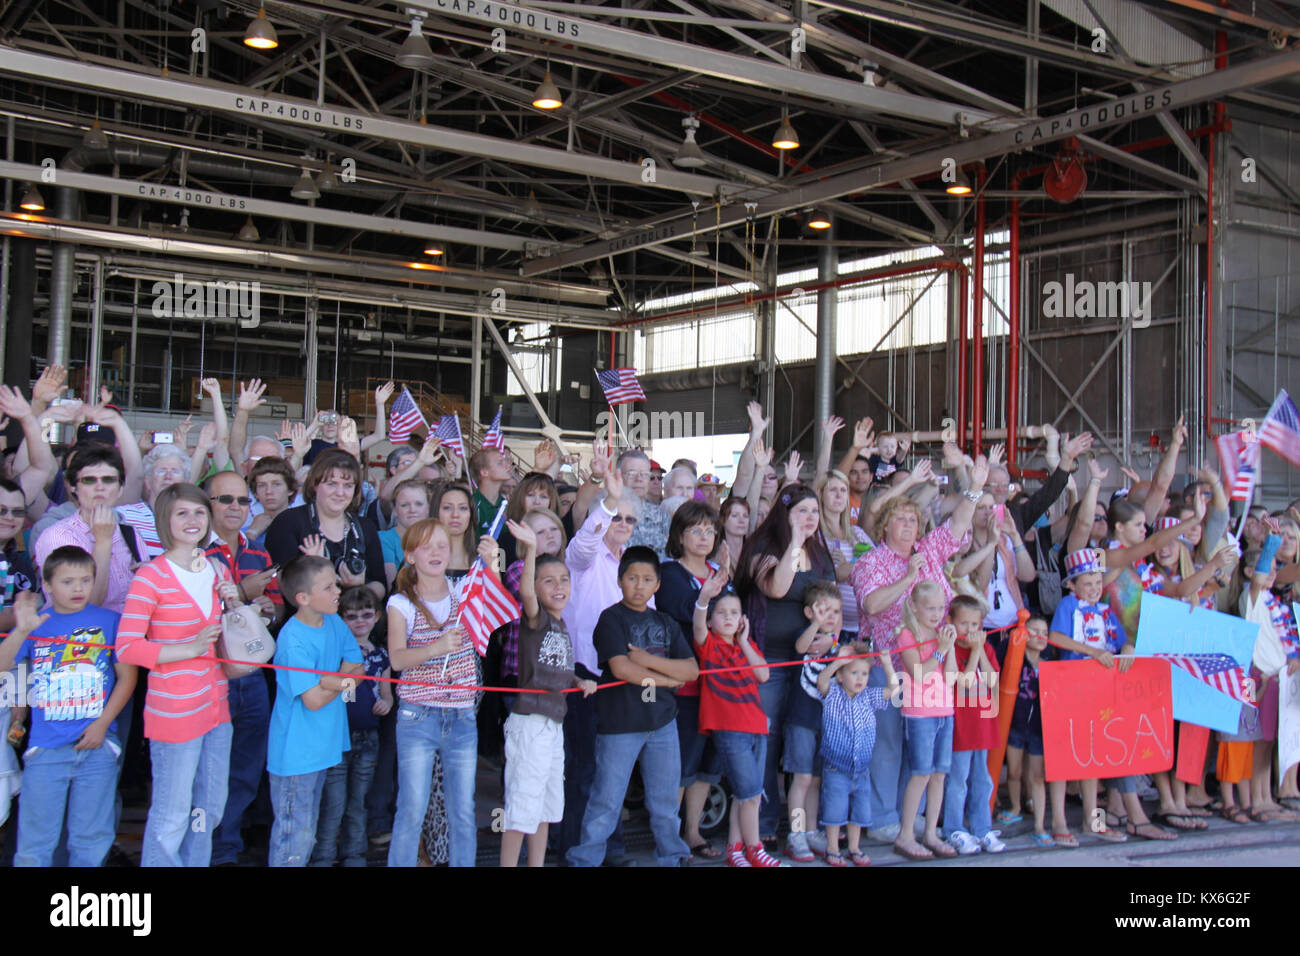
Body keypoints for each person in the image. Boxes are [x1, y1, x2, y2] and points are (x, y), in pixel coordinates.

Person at [850, 450, 990, 841]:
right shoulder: (871, 563)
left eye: (913, 519)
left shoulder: (929, 552)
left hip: (935, 665)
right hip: (889, 667)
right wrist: (907, 576)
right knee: (890, 744)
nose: (909, 525)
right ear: (885, 527)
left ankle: (917, 823)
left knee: (924, 750)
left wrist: (975, 489)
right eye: (901, 519)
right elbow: (871, 606)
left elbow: (959, 522)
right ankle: (882, 820)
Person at [116, 483, 243, 867]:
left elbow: (230, 632)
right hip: (174, 713)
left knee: (208, 809)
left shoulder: (216, 568)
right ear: (165, 521)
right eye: (182, 513)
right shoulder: (150, 577)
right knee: (172, 815)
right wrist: (187, 649)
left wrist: (234, 600)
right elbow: (126, 647)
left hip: (216, 706)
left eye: (199, 512)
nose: (192, 521)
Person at [566, 546, 698, 867]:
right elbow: (623, 669)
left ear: (657, 586)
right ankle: (585, 859)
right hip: (620, 725)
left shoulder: (666, 622)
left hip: (662, 723)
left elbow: (691, 670)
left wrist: (648, 661)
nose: (639, 586)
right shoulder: (610, 619)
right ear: (620, 580)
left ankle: (674, 856)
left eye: (647, 579)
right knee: (606, 801)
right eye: (632, 578)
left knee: (665, 801)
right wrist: (666, 679)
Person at [0, 556, 135, 866]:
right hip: (46, 750)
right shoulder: (37, 623)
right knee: (35, 844)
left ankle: (80, 912)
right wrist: (22, 631)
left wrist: (103, 724)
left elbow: (128, 677)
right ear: (47, 585)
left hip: (97, 747)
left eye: (85, 580)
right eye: (67, 582)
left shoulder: (109, 621)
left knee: (91, 840)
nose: (78, 588)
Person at [1047, 548, 1172, 844]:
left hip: (1100, 691)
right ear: (1072, 585)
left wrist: (1127, 648)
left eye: (1096, 583)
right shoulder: (1068, 605)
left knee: (1093, 756)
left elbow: (1120, 640)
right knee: (1066, 757)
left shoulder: (1105, 611)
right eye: (1087, 584)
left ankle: (1094, 821)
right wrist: (1093, 652)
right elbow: (1055, 638)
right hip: (1071, 688)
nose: (1093, 589)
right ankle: (1058, 822)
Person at [734, 483, 836, 840]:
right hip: (771, 663)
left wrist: (830, 637)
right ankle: (761, 828)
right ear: (784, 514)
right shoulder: (764, 548)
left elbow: (832, 603)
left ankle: (802, 828)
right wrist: (794, 542)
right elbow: (777, 589)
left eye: (814, 512)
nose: (809, 519)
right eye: (801, 512)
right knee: (767, 741)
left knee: (805, 748)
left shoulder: (821, 554)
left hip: (811, 665)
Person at [386, 518, 484, 868]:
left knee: (464, 811)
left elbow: (504, 607)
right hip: (418, 714)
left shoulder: (466, 593)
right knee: (411, 808)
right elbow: (397, 659)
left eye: (442, 545)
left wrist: (492, 561)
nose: (436, 552)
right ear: (410, 556)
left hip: (461, 714)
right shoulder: (401, 603)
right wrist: (437, 647)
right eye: (426, 547)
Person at [500, 520, 596, 867]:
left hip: (553, 722)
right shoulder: (536, 618)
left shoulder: (560, 624)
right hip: (531, 722)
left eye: (564, 579)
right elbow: (526, 594)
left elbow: (554, 667)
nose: (559, 586)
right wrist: (529, 550)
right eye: (548, 581)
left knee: (544, 805)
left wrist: (577, 681)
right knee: (522, 806)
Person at [557, 453, 639, 863]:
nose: (621, 525)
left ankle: (611, 848)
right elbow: (587, 541)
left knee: (614, 774)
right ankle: (573, 849)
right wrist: (608, 501)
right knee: (583, 772)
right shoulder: (582, 558)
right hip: (583, 679)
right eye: (616, 518)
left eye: (628, 519)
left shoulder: (634, 567)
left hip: (622, 681)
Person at [205, 469, 283, 867]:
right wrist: (240, 595)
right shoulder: (196, 553)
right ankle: (201, 849)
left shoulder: (258, 552)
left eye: (241, 500)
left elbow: (277, 606)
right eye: (225, 500)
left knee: (246, 767)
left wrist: (268, 610)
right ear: (208, 505)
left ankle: (226, 849)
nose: (235, 507)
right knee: (207, 769)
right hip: (208, 676)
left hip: (251, 675)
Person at [266, 556, 364, 866]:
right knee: (294, 835)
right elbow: (312, 701)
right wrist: (340, 681)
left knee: (308, 831)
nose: (338, 590)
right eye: (329, 586)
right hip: (297, 754)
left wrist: (326, 679)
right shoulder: (292, 640)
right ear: (303, 598)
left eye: (336, 583)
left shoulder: (334, 620)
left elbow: (359, 668)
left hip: (324, 746)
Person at [691, 568, 781, 867]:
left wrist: (743, 641)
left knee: (746, 794)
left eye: (735, 613)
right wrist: (705, 598)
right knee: (751, 792)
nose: (728, 618)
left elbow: (764, 674)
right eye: (722, 613)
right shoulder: (709, 645)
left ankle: (735, 848)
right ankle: (755, 849)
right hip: (729, 729)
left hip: (756, 726)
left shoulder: (747, 645)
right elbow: (698, 625)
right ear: (711, 619)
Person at [655, 500, 724, 860]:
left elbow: (730, 617)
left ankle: (693, 831)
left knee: (707, 765)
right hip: (685, 686)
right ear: (679, 536)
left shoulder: (719, 572)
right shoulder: (669, 573)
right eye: (695, 530)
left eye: (709, 530)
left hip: (720, 686)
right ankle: (669, 839)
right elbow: (686, 611)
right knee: (681, 764)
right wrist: (714, 604)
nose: (703, 536)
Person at [312, 586, 392, 867]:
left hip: (368, 737)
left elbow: (386, 692)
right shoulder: (336, 653)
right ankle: (323, 856)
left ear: (377, 617)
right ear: (341, 619)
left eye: (366, 615)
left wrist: (386, 702)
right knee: (333, 804)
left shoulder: (381, 655)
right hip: (336, 737)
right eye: (352, 616)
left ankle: (354, 855)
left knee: (358, 803)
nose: (360, 621)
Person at [265, 449, 386, 601]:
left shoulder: (365, 527)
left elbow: (380, 584)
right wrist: (312, 572)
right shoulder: (288, 522)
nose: (340, 493)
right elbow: (278, 586)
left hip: (355, 621)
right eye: (332, 484)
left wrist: (359, 587)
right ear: (315, 484)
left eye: (348, 485)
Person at [893, 580, 958, 861]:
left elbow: (952, 675)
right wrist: (941, 650)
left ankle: (931, 832)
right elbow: (918, 673)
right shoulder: (908, 634)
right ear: (915, 608)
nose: (936, 613)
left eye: (941, 608)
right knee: (920, 772)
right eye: (930, 608)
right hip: (920, 712)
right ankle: (906, 834)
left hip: (945, 710)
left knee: (939, 774)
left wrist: (950, 647)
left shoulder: (941, 634)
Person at [817, 642, 896, 867]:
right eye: (854, 673)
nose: (860, 678)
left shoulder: (869, 697)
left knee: (859, 812)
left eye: (864, 673)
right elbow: (822, 681)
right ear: (841, 677)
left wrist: (888, 665)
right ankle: (832, 848)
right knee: (835, 810)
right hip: (836, 768)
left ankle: (854, 847)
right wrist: (838, 663)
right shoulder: (833, 694)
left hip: (862, 769)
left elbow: (893, 690)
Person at [33, 447, 136, 614]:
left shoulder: (130, 532)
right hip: (78, 636)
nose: (100, 487)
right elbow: (85, 605)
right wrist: (103, 542)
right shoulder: (57, 536)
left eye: (109, 480)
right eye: (89, 480)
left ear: (121, 488)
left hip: (123, 633)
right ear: (73, 487)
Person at [782, 579, 841, 862]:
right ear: (809, 612)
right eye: (823, 610)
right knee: (802, 777)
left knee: (816, 779)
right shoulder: (806, 634)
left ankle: (810, 829)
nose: (830, 617)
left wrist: (834, 639)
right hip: (801, 718)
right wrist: (817, 627)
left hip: (825, 720)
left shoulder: (837, 645)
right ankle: (795, 833)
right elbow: (802, 645)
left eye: (835, 612)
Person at [941, 594, 1004, 855]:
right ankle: (953, 828)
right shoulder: (951, 650)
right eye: (964, 624)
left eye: (975, 625)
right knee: (958, 780)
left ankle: (982, 828)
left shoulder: (986, 649)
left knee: (983, 780)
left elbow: (991, 681)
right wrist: (974, 651)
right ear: (951, 623)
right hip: (961, 726)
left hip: (984, 724)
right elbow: (961, 682)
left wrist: (980, 651)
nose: (970, 630)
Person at [998, 614, 1052, 846]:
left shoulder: (1050, 664)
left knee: (1038, 777)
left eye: (1045, 633)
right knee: (1014, 772)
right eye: (1035, 631)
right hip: (1015, 726)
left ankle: (1040, 825)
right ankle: (1016, 806)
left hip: (1039, 729)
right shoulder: (1011, 658)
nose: (1040, 636)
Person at [818, 469, 872, 641]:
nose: (839, 495)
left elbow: (878, 565)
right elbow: (835, 575)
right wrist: (859, 563)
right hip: (831, 629)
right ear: (821, 494)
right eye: (833, 490)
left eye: (843, 490)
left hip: (864, 627)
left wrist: (848, 565)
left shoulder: (857, 533)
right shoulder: (816, 534)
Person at [116, 443, 194, 559]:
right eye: (161, 471)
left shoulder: (194, 520)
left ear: (186, 483)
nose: (168, 476)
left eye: (175, 471)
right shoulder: (125, 516)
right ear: (147, 481)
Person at [379, 479, 432, 588]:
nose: (412, 510)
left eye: (419, 504)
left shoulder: (436, 540)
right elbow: (393, 585)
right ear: (394, 510)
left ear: (428, 508)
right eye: (404, 505)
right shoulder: (384, 539)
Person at [246, 457, 299, 545]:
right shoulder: (245, 533)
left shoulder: (302, 528)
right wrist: (252, 533)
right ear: (255, 493)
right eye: (262, 485)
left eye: (276, 484)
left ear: (290, 489)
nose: (269, 491)